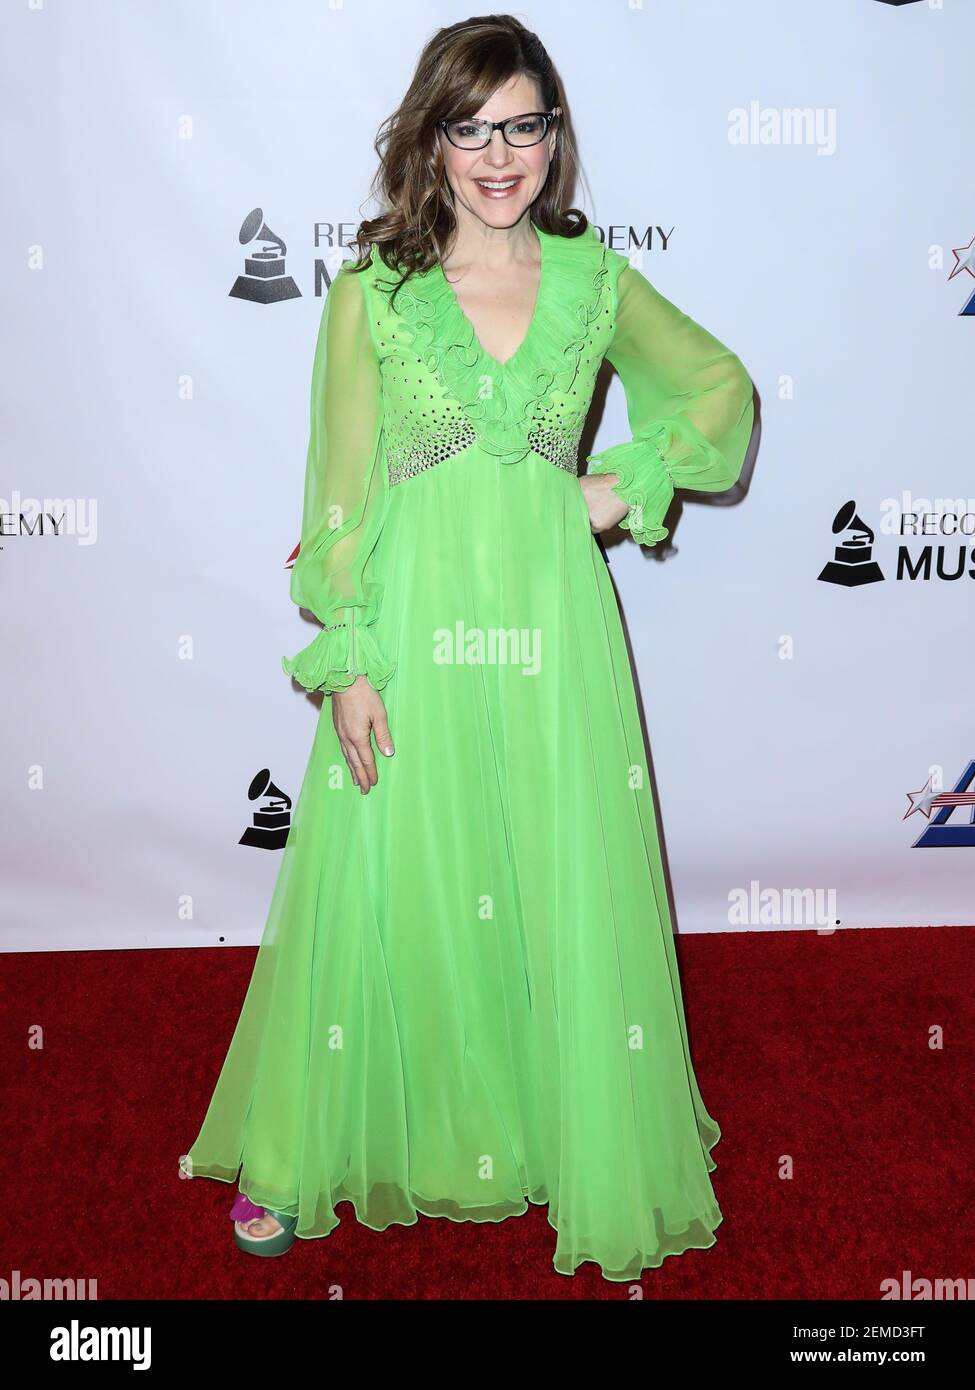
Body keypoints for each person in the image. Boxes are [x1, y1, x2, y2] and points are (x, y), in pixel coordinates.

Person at [179, 13, 755, 1283]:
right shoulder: (370, 292)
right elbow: (335, 500)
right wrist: (354, 659)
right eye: (472, 127)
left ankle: (550, 1129)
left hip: (553, 627)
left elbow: (719, 388)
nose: (502, 155)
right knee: (385, 880)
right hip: (417, 628)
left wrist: (621, 484)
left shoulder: (596, 281)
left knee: (549, 866)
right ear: (429, 139)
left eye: (525, 126)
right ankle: (300, 1145)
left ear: (555, 136)